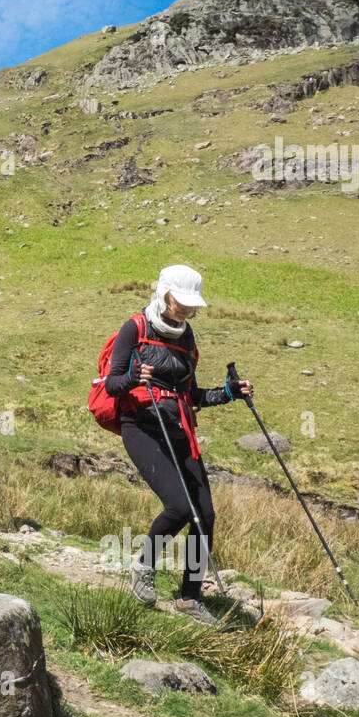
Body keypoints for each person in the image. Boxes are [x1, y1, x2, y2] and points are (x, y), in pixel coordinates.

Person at [103, 265, 253, 624]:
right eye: (180, 301)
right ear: (164, 293)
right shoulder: (134, 328)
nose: (186, 309)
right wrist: (133, 378)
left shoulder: (187, 339)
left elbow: (191, 393)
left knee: (206, 514)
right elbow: (111, 385)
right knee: (179, 507)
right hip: (140, 427)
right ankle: (143, 564)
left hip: (179, 429)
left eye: (191, 304)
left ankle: (189, 598)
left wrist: (229, 393)